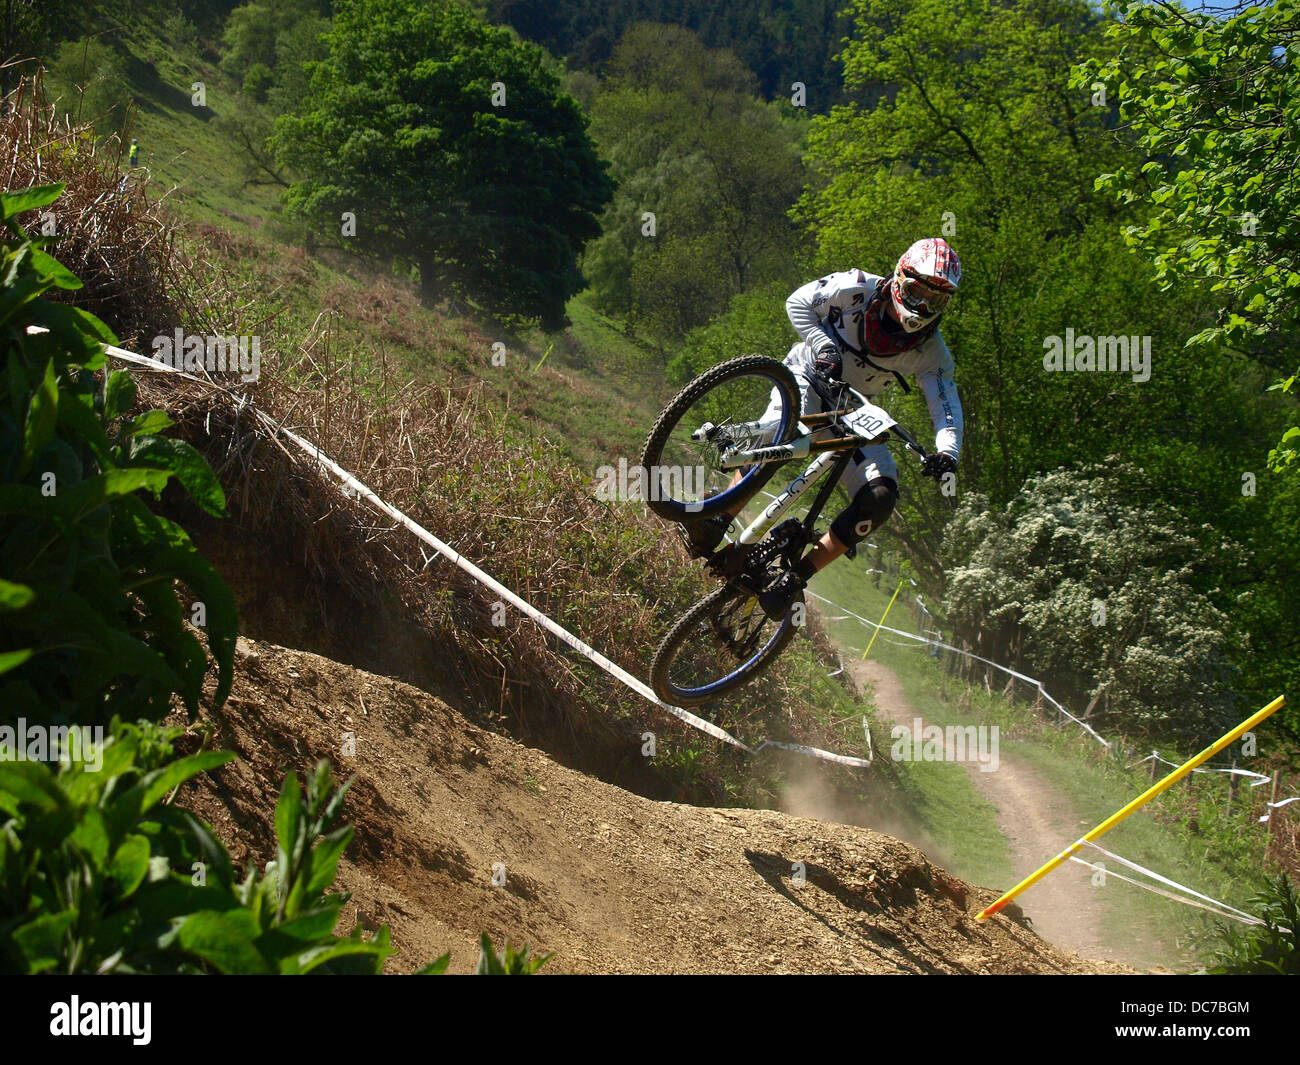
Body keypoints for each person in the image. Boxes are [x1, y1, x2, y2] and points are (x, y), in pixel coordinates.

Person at [686, 237, 964, 618]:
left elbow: (945, 405)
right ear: (900, 278)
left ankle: (795, 578)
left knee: (880, 496)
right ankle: (719, 516)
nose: (923, 307)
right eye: (917, 293)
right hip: (807, 375)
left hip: (850, 411)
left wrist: (947, 451)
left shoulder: (931, 351)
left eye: (936, 301)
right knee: (782, 434)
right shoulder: (856, 289)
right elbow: (797, 301)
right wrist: (823, 346)